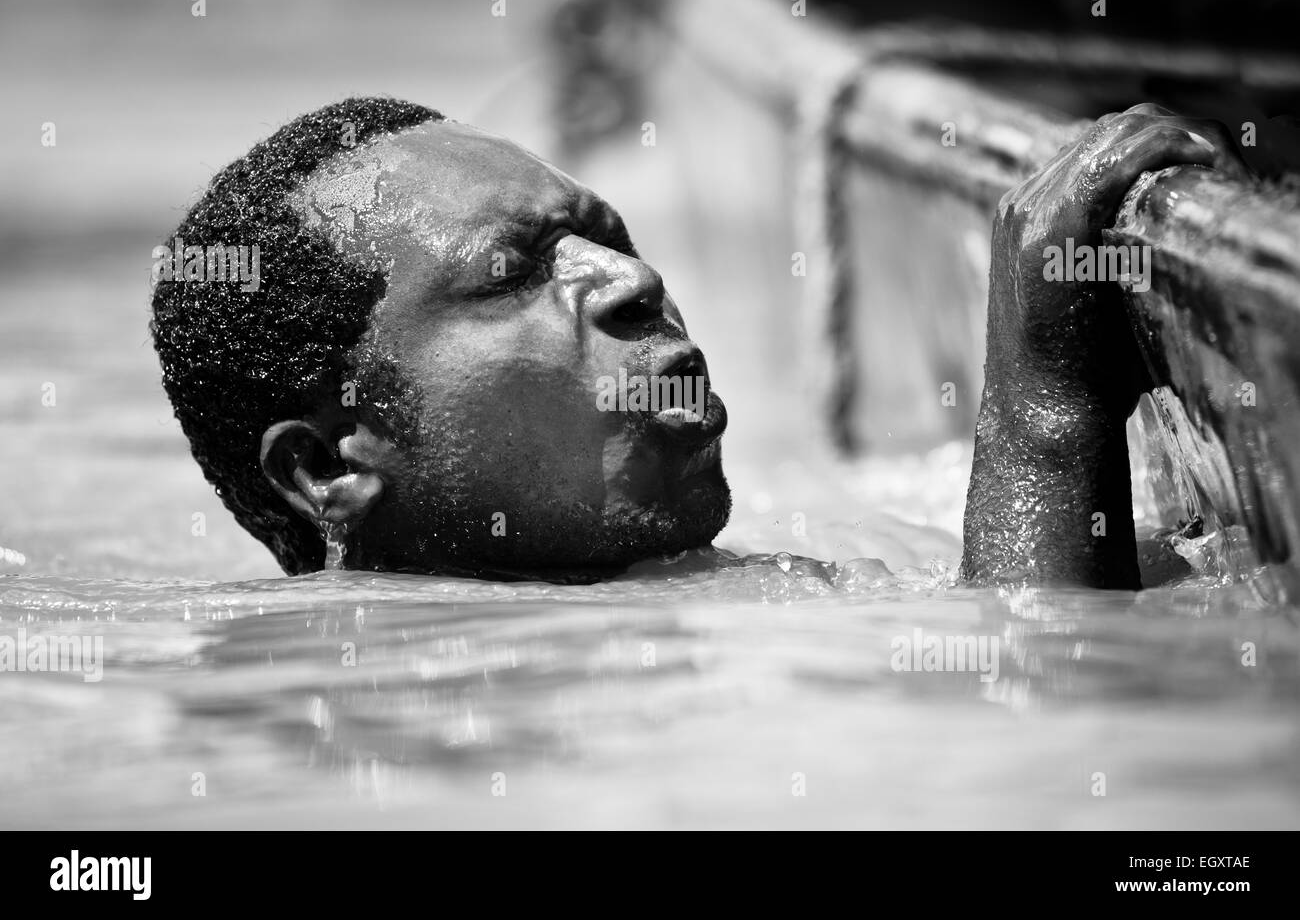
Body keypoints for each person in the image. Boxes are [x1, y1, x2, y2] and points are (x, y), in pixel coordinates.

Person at [150, 98, 1249, 587]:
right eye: (509, 276)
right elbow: (1054, 723)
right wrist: (1043, 412)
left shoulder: (638, 587)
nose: (629, 281)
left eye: (604, 238)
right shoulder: (405, 686)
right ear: (330, 467)